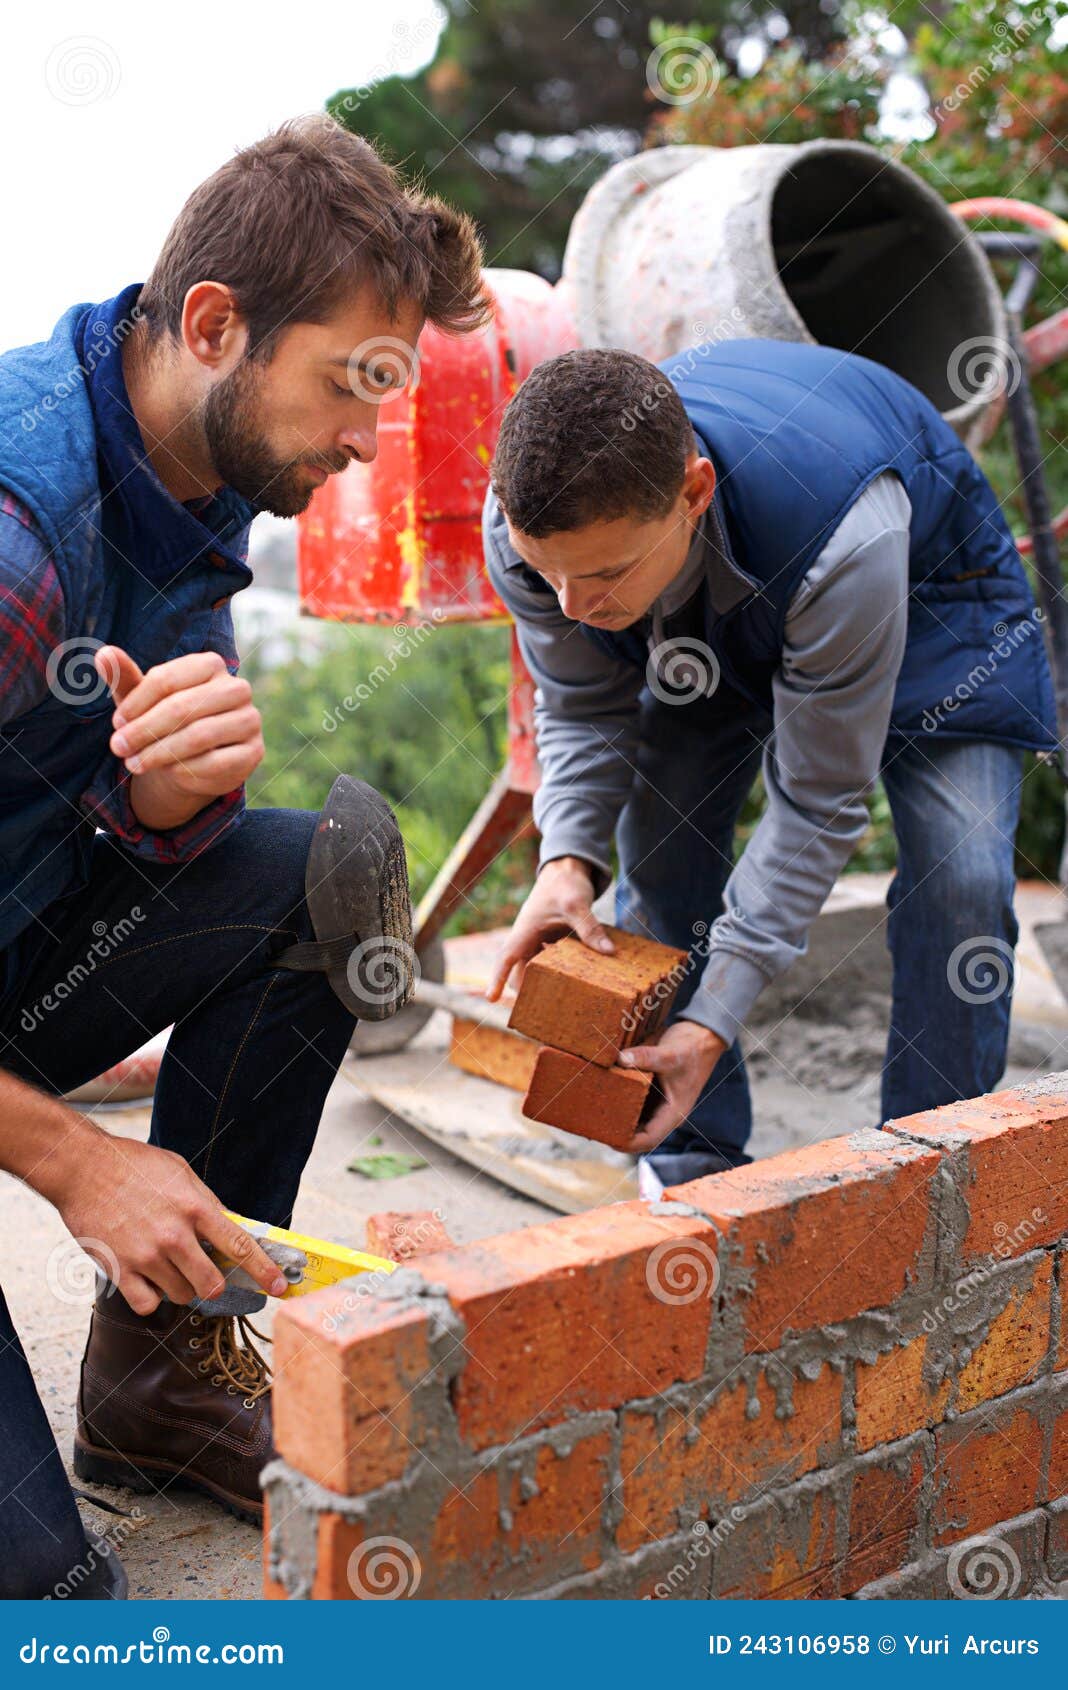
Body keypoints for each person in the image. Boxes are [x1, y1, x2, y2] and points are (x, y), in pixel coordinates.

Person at [0, 113, 488, 1597]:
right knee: (55, 1603)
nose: (367, 440)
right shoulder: (17, 539)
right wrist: (79, 1161)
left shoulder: (197, 475)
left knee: (314, 864)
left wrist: (158, 807)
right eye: (350, 383)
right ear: (214, 325)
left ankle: (158, 1376)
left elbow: (139, 816)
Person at [484, 342, 1058, 1192]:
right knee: (661, 844)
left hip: (929, 600)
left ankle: (929, 1174)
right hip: (713, 601)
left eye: (603, 574)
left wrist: (716, 1012)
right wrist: (565, 860)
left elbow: (819, 801)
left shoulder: (844, 538)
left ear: (694, 493)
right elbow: (581, 709)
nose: (572, 607)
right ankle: (691, 1155)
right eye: (548, 574)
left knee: (961, 876)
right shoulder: (534, 530)